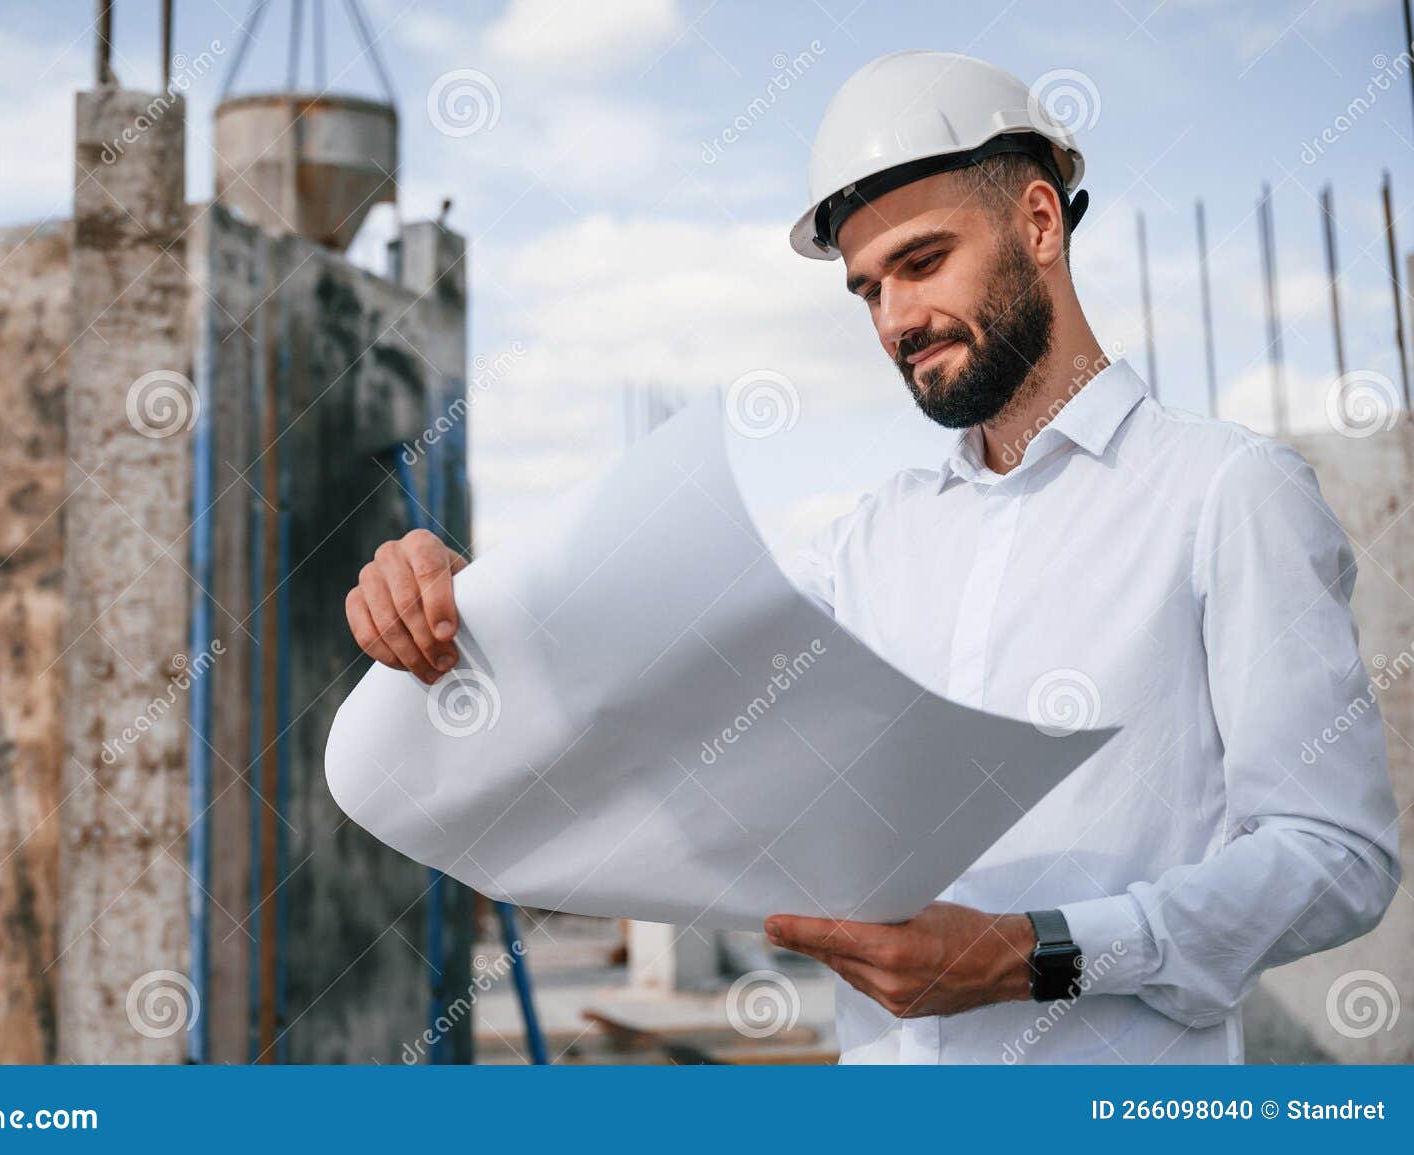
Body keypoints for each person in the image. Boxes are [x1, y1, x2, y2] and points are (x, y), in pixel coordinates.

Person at [343, 50, 1400, 1064]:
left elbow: (1336, 855)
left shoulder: (1224, 493)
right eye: (865, 289)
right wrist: (457, 605)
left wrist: (1039, 954)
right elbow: (643, 689)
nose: (895, 318)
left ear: (1038, 220)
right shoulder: (865, 544)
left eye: (922, 262)